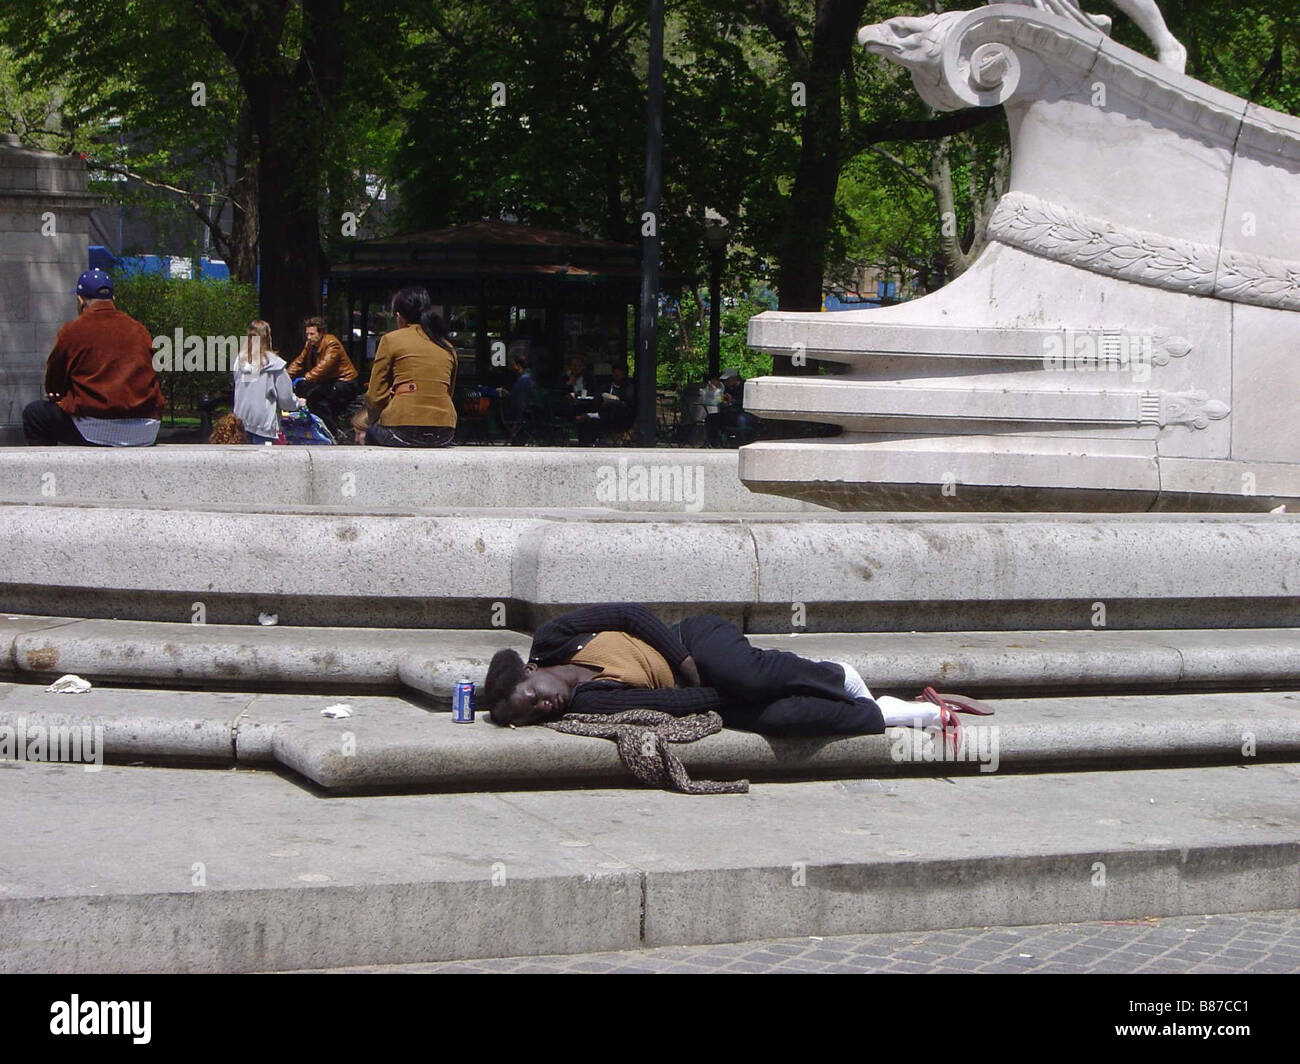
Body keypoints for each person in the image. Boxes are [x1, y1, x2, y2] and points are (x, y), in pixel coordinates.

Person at [481, 603, 990, 744]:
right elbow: (667, 705)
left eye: (532, 698)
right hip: (701, 689)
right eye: (535, 717)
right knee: (782, 720)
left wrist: (682, 659)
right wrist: (705, 693)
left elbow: (630, 615)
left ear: (531, 670)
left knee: (742, 674)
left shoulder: (553, 638)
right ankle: (897, 713)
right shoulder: (589, 704)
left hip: (691, 641)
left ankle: (836, 675)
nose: (545, 707)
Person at [23, 269, 166, 446]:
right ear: (113, 299)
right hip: (146, 429)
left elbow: (54, 383)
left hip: (97, 429)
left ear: (80, 300)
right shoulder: (139, 330)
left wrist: (61, 393)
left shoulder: (73, 331)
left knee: (35, 414)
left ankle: (50, 471)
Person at [364, 287, 458, 448]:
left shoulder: (391, 339)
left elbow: (375, 396)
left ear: (399, 316)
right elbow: (449, 392)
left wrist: (377, 417)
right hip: (444, 431)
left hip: (403, 430)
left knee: (369, 432)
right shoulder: (447, 346)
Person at [286, 316, 362, 432]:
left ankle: (331, 431)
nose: (309, 337)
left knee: (316, 398)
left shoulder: (331, 343)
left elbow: (325, 366)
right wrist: (286, 376)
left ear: (321, 333)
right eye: (307, 334)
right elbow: (299, 361)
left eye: (312, 334)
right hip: (329, 381)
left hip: (345, 382)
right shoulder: (310, 345)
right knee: (312, 395)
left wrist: (306, 378)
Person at [231, 320, 300, 444]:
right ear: (268, 337)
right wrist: (298, 403)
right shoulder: (275, 365)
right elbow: (286, 399)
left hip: (240, 422)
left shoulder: (239, 362)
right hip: (264, 425)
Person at [700, 372, 727, 447]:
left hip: (716, 412)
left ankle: (713, 440)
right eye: (716, 380)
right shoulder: (708, 390)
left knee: (714, 419)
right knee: (713, 419)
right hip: (709, 412)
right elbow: (718, 401)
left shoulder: (719, 388)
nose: (718, 382)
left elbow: (719, 400)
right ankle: (712, 440)